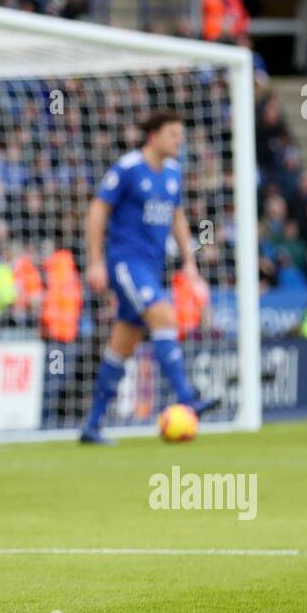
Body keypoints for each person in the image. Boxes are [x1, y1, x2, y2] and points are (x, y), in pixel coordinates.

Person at [80, 109, 218, 444]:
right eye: (173, 135)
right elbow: (97, 212)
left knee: (121, 346)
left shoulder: (172, 173)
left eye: (180, 135)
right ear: (154, 136)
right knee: (164, 315)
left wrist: (189, 261)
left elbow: (177, 217)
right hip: (125, 263)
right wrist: (96, 261)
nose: (179, 141)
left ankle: (92, 425)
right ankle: (187, 398)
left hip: (152, 268)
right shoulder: (127, 169)